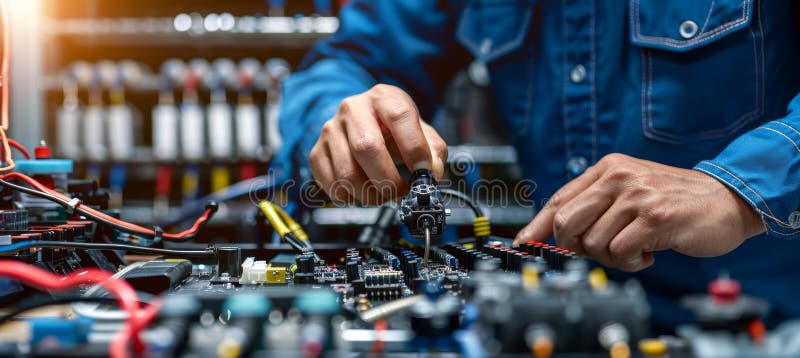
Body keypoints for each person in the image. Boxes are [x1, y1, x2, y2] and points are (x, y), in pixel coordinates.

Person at [276, 1, 800, 331]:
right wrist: (343, 117)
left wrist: (739, 190)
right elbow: (350, 61)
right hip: (547, 317)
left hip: (760, 322)